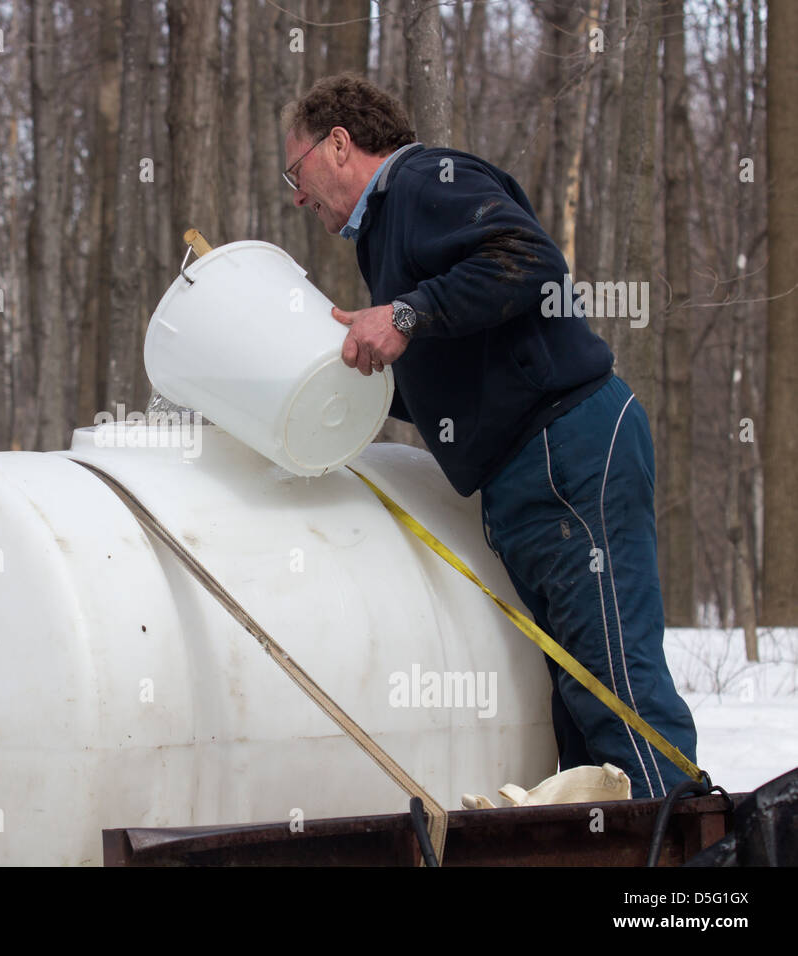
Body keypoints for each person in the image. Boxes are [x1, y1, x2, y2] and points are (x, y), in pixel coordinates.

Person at [281, 72, 697, 800]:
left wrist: (404, 314)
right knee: (577, 705)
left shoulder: (421, 182)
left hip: (565, 448)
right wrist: (350, 387)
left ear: (339, 144)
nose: (296, 194)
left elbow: (531, 262)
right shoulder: (385, 233)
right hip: (529, 468)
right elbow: (459, 362)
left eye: (297, 170)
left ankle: (683, 872)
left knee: (615, 692)